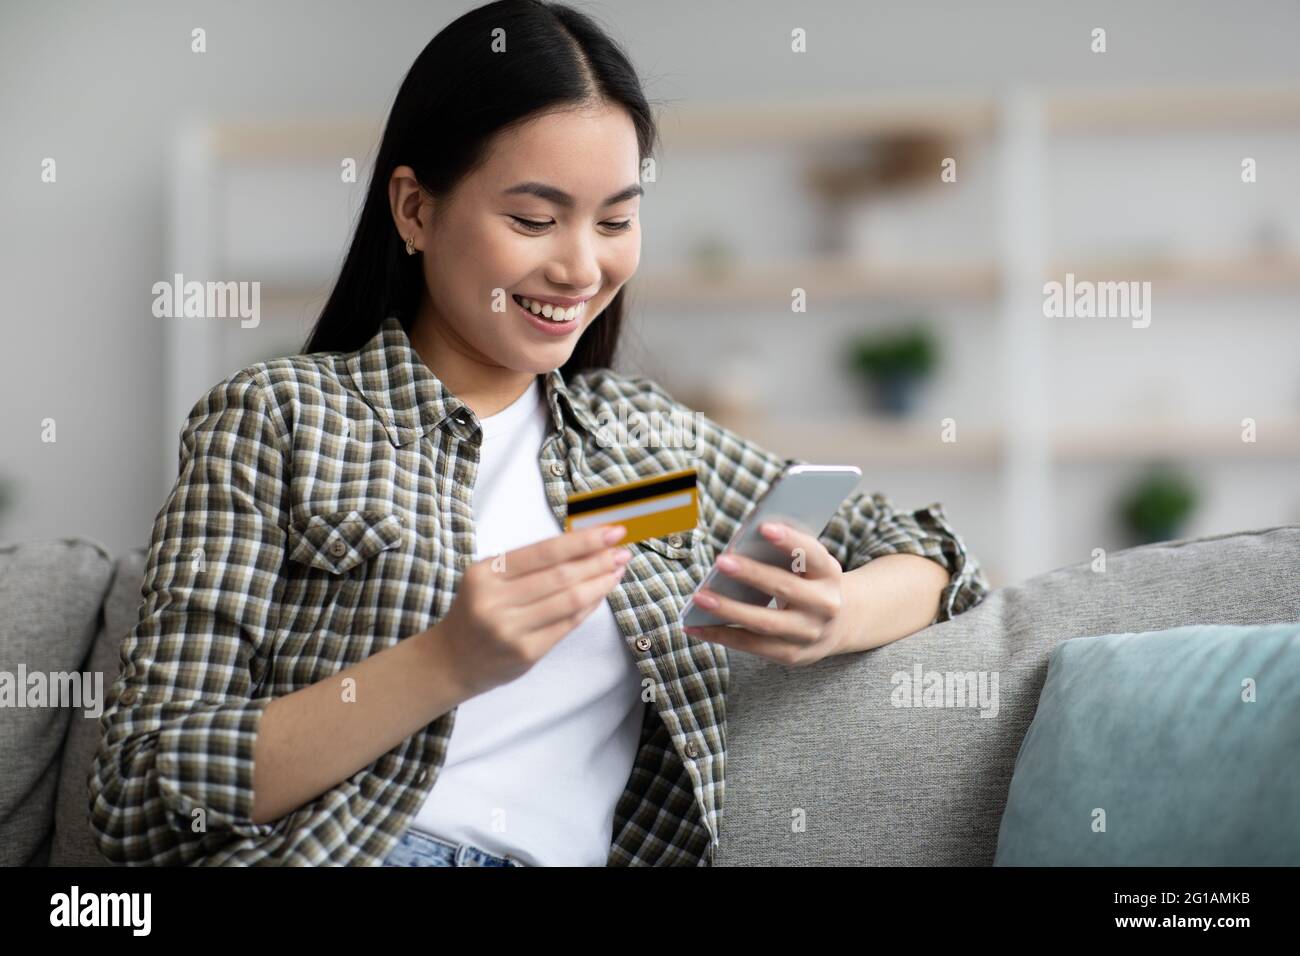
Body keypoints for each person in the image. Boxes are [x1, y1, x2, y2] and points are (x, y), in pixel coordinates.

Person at [89, 0, 990, 867]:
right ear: (414, 210)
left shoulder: (641, 447)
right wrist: (444, 661)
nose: (580, 265)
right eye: (533, 218)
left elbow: (925, 547)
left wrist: (836, 618)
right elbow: (142, 789)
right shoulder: (282, 419)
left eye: (616, 220)